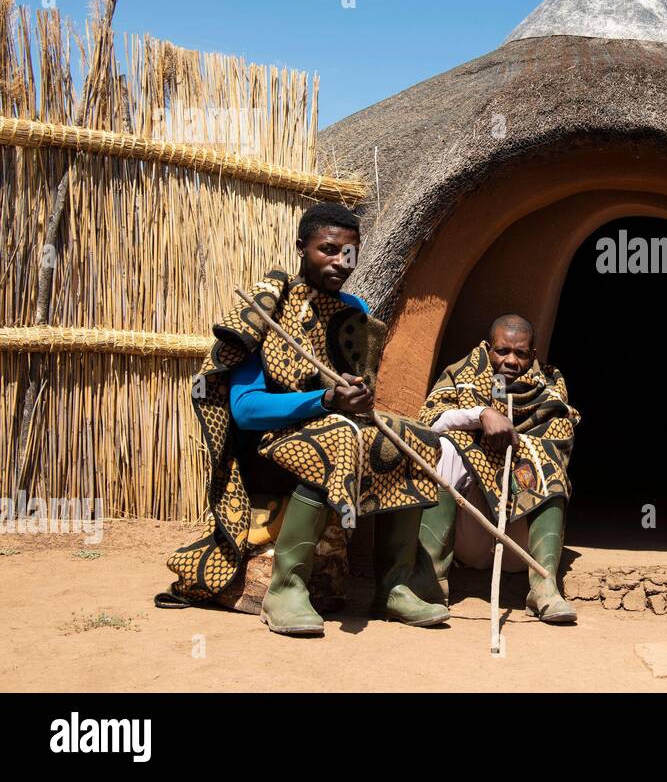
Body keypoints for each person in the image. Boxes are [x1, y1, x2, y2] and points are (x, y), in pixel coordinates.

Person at [157, 202, 450, 636]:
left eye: (349, 253)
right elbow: (246, 408)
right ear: (301, 247)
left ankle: (393, 586)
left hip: (333, 425)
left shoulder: (353, 309)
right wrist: (327, 400)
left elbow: (357, 391)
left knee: (416, 438)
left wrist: (358, 396)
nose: (340, 262)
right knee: (334, 438)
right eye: (328, 249)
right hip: (266, 446)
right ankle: (285, 589)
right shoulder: (267, 313)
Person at [414, 315, 581, 623]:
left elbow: (562, 433)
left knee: (550, 462)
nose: (510, 361)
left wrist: (519, 448)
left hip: (519, 542)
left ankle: (543, 588)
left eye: (520, 353)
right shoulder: (463, 375)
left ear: (532, 356)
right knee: (446, 447)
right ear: (489, 349)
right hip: (472, 532)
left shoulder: (549, 385)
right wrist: (482, 414)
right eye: (502, 351)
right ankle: (430, 582)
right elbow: (430, 421)